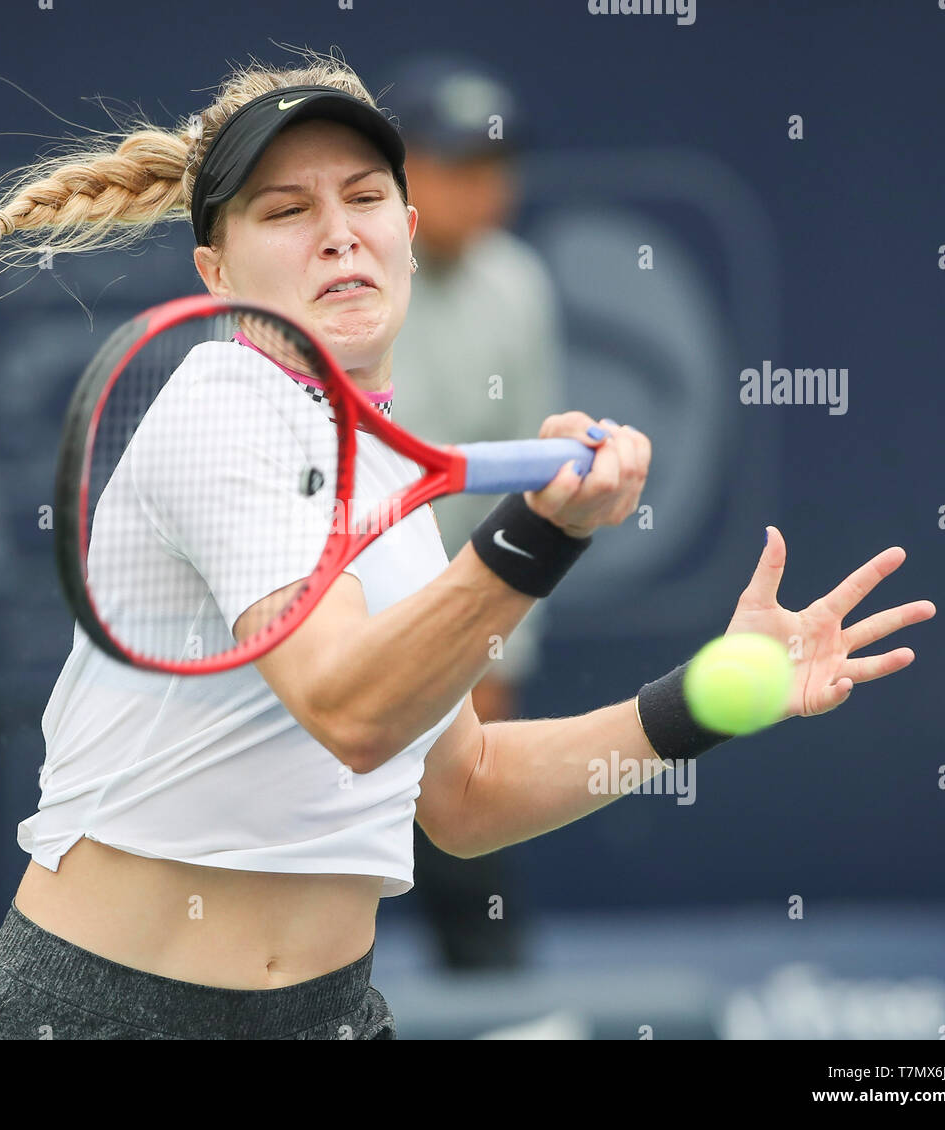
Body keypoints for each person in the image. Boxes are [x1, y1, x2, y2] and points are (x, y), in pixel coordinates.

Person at [0, 49, 935, 1040]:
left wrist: (714, 697)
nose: (337, 234)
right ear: (217, 273)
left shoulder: (389, 472)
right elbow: (349, 707)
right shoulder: (222, 400)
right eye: (286, 211)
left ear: (407, 226)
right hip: (101, 1011)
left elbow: (462, 793)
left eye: (362, 198)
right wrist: (534, 539)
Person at [384, 55, 566, 969]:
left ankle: (500, 1016)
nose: (483, 190)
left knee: (475, 847)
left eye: (497, 167)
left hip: (460, 615)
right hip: (327, 626)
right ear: (400, 169)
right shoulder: (345, 278)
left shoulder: (520, 287)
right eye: (459, 167)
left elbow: (525, 481)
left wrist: (496, 640)